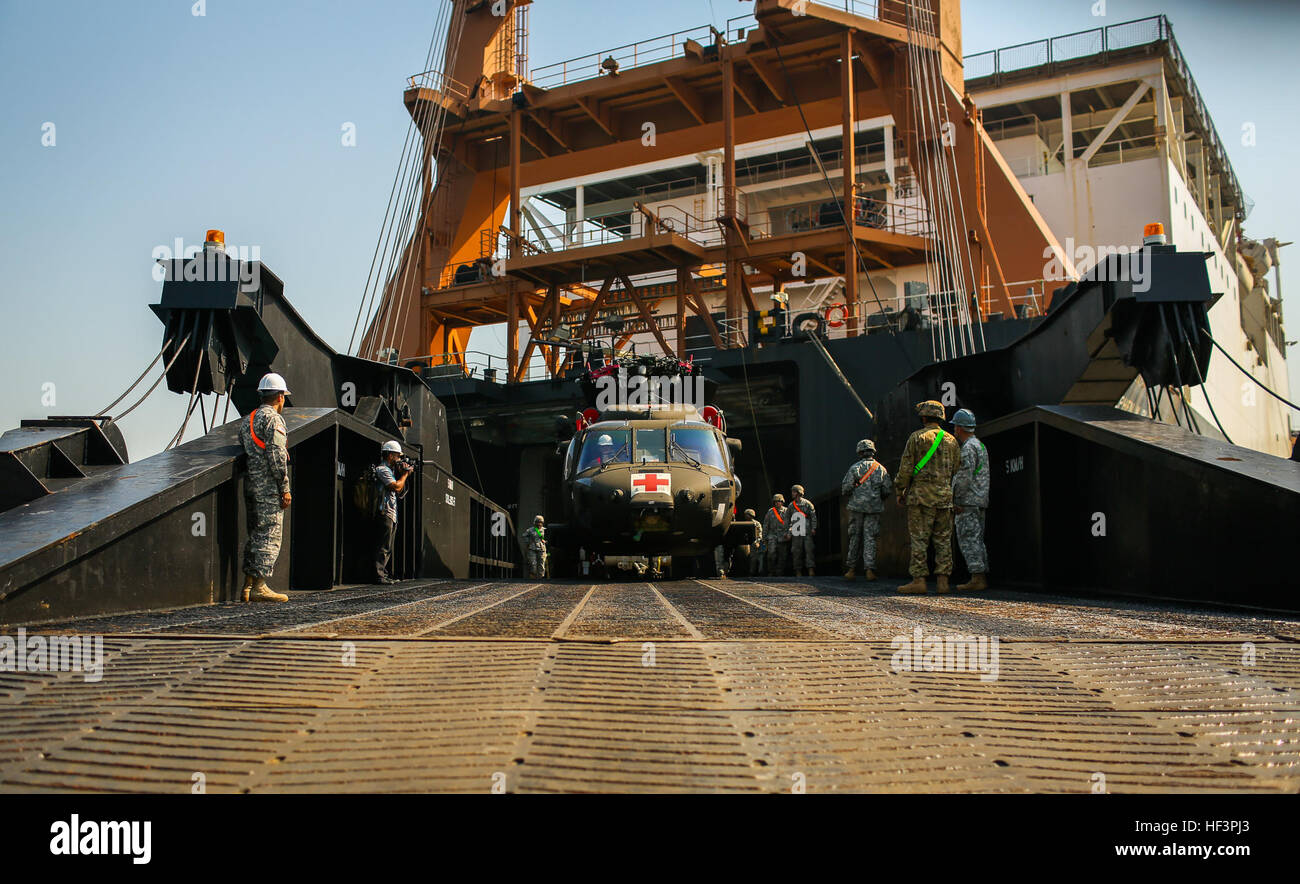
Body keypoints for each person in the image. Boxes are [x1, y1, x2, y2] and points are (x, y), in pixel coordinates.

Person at [894, 400, 960, 595]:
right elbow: (956, 467)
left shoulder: (916, 438)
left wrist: (900, 490)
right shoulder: (951, 440)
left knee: (919, 539)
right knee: (943, 540)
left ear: (923, 417)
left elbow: (906, 468)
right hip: (944, 498)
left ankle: (919, 580)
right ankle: (943, 582)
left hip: (921, 497)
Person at [237, 372, 292, 603]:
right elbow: (277, 455)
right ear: (280, 396)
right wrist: (285, 487)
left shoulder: (247, 420)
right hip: (269, 486)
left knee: (256, 534)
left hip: (252, 484)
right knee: (270, 534)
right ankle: (260, 586)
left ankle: (248, 586)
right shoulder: (274, 420)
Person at [840, 438, 893, 580]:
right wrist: (877, 498)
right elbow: (887, 489)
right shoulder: (881, 469)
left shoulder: (855, 468)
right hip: (874, 508)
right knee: (870, 538)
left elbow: (845, 488)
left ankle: (851, 570)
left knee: (854, 537)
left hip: (856, 507)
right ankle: (869, 571)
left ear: (860, 452)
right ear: (873, 452)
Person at [950, 409, 990, 592]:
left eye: (955, 426)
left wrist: (956, 499)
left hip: (967, 500)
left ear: (959, 428)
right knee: (978, 538)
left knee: (968, 538)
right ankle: (980, 574)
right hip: (980, 499)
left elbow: (964, 477)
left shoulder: (967, 448)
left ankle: (977, 577)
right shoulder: (980, 445)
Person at [373, 440, 412, 584]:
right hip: (384, 512)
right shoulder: (382, 470)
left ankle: (383, 573)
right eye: (397, 456)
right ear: (390, 455)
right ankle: (379, 575)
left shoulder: (390, 470)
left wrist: (402, 473)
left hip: (391, 513)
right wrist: (405, 475)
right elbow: (396, 487)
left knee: (388, 546)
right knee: (383, 546)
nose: (399, 459)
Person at [787, 484, 818, 576]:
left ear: (798, 492)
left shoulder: (807, 504)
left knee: (809, 550)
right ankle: (798, 570)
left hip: (807, 528)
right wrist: (789, 532)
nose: (792, 493)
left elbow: (813, 517)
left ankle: (810, 569)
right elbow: (788, 520)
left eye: (794, 491)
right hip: (796, 529)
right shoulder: (791, 506)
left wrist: (813, 528)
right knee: (796, 551)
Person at [762, 493, 790, 576]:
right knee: (771, 554)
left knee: (782, 555)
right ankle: (771, 571)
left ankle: (780, 571)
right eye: (775, 502)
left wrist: (789, 533)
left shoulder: (787, 511)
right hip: (772, 535)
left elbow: (791, 524)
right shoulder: (770, 512)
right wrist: (764, 537)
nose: (777, 503)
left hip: (783, 535)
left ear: (782, 502)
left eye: (779, 501)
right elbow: (766, 524)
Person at [744, 508, 765, 576]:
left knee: (759, 559)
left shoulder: (756, 524)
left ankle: (760, 572)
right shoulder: (744, 523)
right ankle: (751, 572)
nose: (746, 516)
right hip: (749, 544)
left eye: (747, 515)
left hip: (756, 544)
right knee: (752, 559)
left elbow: (760, 533)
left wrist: (758, 541)